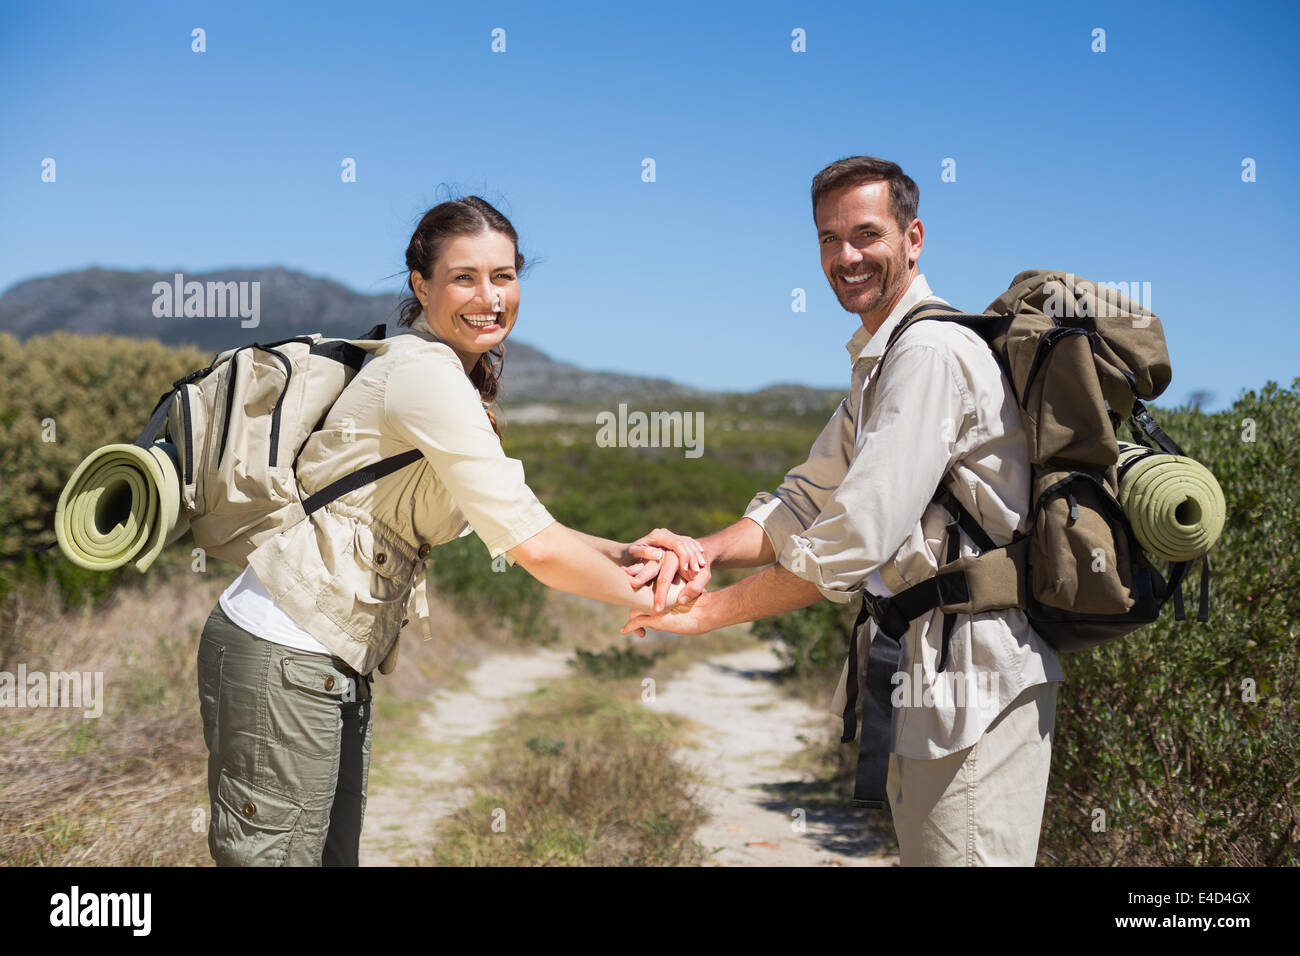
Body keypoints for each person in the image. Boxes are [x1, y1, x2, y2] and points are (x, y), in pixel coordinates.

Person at [196, 195, 703, 867]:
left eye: (504, 275)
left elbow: (526, 518)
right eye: (465, 277)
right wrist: (665, 602)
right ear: (421, 286)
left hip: (322, 655)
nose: (489, 297)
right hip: (285, 646)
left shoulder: (451, 379)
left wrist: (628, 553)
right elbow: (537, 551)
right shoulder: (424, 376)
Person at [624, 155, 1066, 866]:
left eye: (865, 234)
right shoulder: (882, 363)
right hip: (926, 676)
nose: (845, 256)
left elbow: (854, 538)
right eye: (829, 239)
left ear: (913, 237)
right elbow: (802, 502)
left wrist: (709, 612)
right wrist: (696, 552)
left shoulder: (928, 354)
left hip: (975, 681)